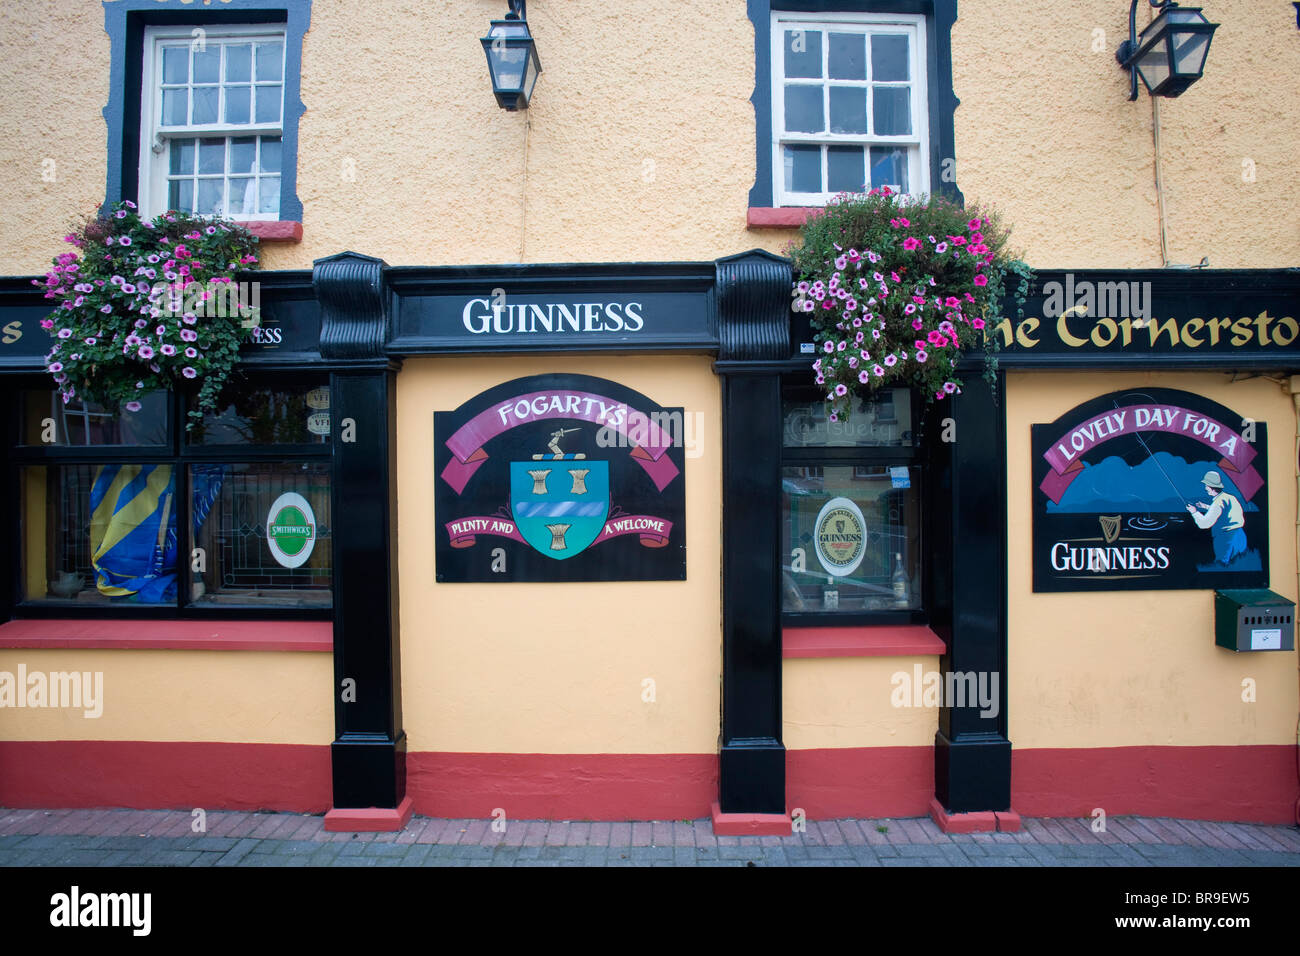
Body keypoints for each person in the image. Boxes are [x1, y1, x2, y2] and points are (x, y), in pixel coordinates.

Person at [1186, 470, 1247, 565]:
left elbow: (1204, 524)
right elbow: (1224, 511)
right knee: (1239, 563)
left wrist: (1194, 512)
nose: (1205, 488)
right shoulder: (1230, 497)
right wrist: (1206, 507)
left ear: (1212, 487)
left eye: (1206, 485)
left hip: (1226, 538)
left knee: (1222, 566)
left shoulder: (1217, 503)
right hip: (1240, 536)